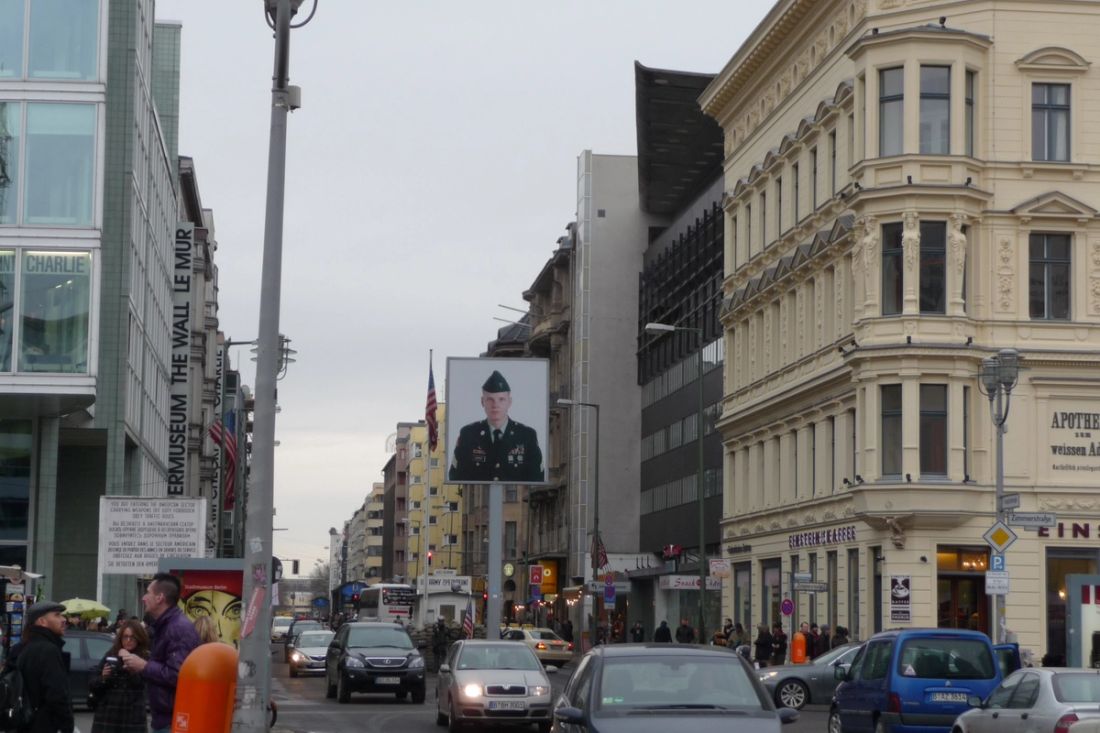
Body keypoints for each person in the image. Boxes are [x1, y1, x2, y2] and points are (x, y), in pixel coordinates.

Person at [121, 572, 200, 733]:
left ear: (160, 598)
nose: (144, 598)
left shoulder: (177, 628)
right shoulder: (165, 626)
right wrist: (138, 666)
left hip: (174, 720)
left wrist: (143, 666)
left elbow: (177, 675)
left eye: (148, 592)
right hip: (166, 717)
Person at [448, 370, 545, 482]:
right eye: (490, 399)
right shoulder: (468, 434)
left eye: (501, 399)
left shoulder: (527, 435)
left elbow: (537, 477)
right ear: (482, 402)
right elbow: (455, 476)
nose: (495, 405)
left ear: (509, 402)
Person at [17, 601, 74, 733]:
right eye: (57, 615)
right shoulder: (48, 650)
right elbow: (57, 695)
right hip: (45, 725)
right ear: (42, 621)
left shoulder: (25, 647)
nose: (64, 620)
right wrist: (67, 726)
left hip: (27, 723)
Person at [90, 619, 150, 733]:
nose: (128, 640)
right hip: (108, 716)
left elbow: (143, 685)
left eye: (133, 637)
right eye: (125, 636)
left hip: (132, 718)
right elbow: (93, 683)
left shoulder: (144, 656)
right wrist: (103, 677)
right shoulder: (111, 654)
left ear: (139, 638)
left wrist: (130, 663)